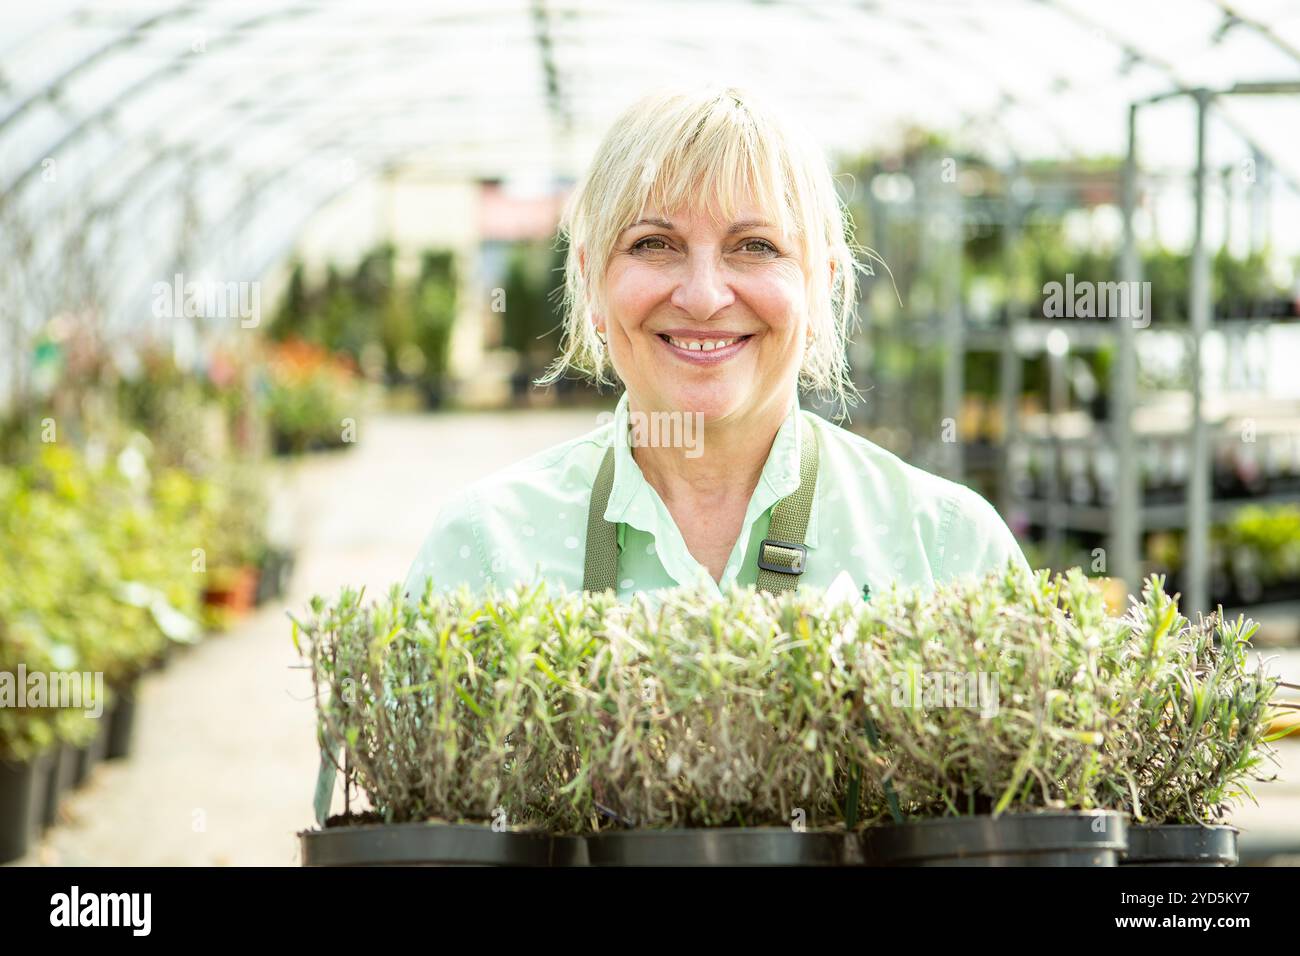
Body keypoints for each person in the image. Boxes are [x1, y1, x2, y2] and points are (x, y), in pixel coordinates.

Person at [404, 85, 1029, 603]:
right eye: (653, 243)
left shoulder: (948, 550)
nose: (703, 298)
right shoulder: (483, 549)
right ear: (594, 284)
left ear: (820, 289)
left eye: (755, 247)